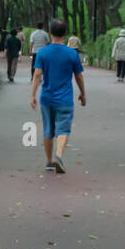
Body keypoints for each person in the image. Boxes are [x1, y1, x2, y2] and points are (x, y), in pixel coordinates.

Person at [30, 19, 86, 174]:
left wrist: (33, 95)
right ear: (65, 33)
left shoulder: (43, 52)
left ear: (50, 33)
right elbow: (79, 77)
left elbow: (37, 75)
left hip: (47, 98)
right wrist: (83, 94)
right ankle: (59, 156)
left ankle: (49, 161)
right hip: (65, 99)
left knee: (48, 129)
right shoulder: (72, 53)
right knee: (63, 129)